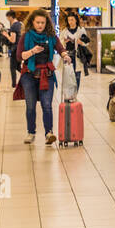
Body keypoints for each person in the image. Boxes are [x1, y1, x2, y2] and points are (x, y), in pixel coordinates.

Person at [18, 10, 70, 145]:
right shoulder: (26, 36)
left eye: (43, 22)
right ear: (32, 23)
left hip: (47, 75)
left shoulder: (51, 36)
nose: (40, 25)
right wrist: (32, 51)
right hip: (29, 75)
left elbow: (60, 48)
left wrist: (65, 55)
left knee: (47, 105)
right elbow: (19, 56)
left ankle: (49, 133)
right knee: (30, 106)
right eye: (38, 22)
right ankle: (31, 132)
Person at [59, 12, 90, 93]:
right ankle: (69, 95)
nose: (70, 22)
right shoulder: (64, 31)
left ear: (76, 20)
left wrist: (81, 42)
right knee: (68, 77)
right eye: (69, 20)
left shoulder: (81, 30)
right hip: (68, 56)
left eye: (72, 20)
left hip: (77, 56)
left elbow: (87, 42)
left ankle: (75, 94)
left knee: (77, 77)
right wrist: (64, 42)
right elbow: (59, 43)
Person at [4, 10, 23, 87]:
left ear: (10, 17)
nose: (7, 19)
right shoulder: (20, 24)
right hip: (20, 48)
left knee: (12, 67)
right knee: (18, 66)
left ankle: (13, 84)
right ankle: (27, 77)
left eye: (8, 17)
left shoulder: (14, 26)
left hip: (15, 49)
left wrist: (6, 35)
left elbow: (13, 40)